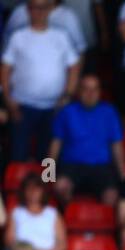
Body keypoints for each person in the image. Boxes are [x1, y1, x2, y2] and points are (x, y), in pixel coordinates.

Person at [1, 0, 82, 162]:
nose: (39, 12)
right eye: (35, 8)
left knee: (49, 156)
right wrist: (8, 99)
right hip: (22, 106)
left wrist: (67, 94)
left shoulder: (61, 36)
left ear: (49, 11)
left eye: (43, 8)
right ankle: (18, 186)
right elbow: (4, 69)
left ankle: (47, 184)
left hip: (53, 108)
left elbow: (75, 66)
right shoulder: (18, 37)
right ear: (28, 10)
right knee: (18, 153)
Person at [49, 73, 125, 205]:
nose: (90, 93)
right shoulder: (67, 112)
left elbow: (117, 146)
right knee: (60, 187)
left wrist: (123, 176)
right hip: (72, 166)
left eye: (94, 89)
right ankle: (66, 222)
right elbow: (55, 144)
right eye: (86, 89)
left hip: (101, 168)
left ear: (100, 92)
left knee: (112, 196)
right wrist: (47, 174)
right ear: (79, 91)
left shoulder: (109, 112)